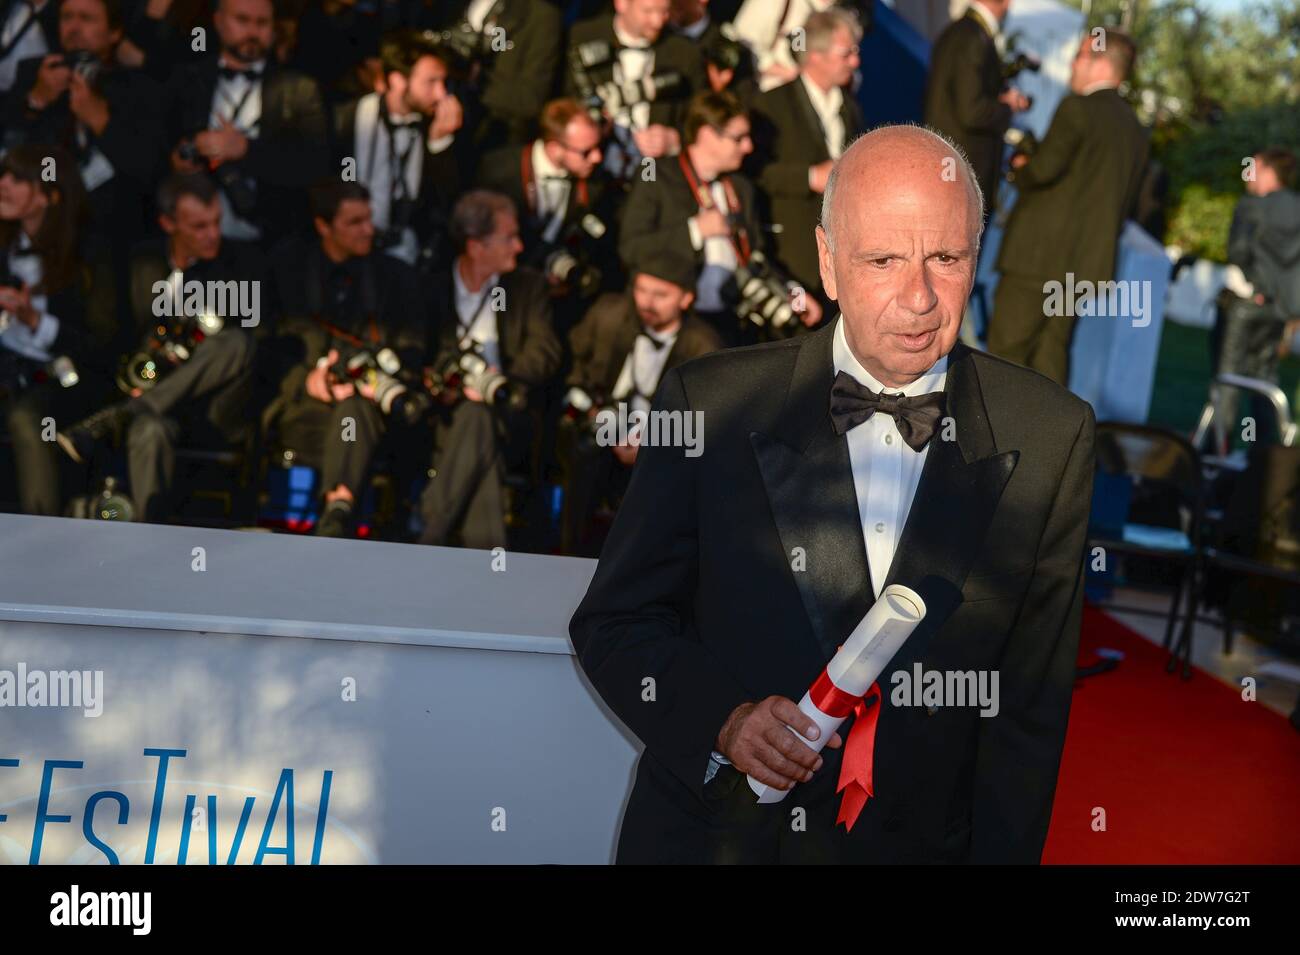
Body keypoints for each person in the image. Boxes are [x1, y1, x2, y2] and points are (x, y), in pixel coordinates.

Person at [569, 125, 1096, 864]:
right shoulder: (712, 404)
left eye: (945, 257)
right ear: (828, 262)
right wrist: (723, 720)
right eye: (883, 258)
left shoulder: (1051, 435)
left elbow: (1027, 715)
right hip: (717, 841)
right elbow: (617, 621)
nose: (918, 296)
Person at [57, 173, 261, 523]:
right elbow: (107, 337)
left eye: (216, 222)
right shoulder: (133, 264)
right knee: (149, 429)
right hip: (148, 400)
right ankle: (149, 545)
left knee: (236, 342)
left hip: (207, 403)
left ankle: (122, 417)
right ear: (168, 223)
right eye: (199, 226)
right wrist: (133, 372)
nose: (213, 234)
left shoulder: (240, 264)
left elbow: (257, 342)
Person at [261, 180, 427, 537]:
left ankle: (338, 508)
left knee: (355, 408)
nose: (368, 230)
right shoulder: (288, 268)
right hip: (304, 409)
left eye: (369, 219)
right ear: (323, 226)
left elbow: (414, 346)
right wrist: (309, 379)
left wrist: (377, 377)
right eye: (354, 222)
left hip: (372, 411)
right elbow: (267, 345)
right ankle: (337, 513)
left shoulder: (395, 277)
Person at [987, 28, 1148, 386]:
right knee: (1051, 354)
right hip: (1082, 267)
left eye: (1079, 56)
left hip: (1037, 259)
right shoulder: (1136, 130)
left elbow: (1043, 170)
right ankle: (1051, 441)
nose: (1073, 65)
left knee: (1005, 353)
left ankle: (992, 441)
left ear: (1099, 63)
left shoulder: (1077, 108)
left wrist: (1020, 167)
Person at [417, 189, 560, 549]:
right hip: (440, 417)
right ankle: (486, 561)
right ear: (476, 246)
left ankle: (430, 534)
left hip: (507, 412)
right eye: (508, 238)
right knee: (480, 442)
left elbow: (545, 351)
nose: (519, 247)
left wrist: (501, 381)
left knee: (479, 416)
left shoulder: (528, 287)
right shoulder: (429, 288)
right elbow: (413, 351)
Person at [621, 89, 818, 345]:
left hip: (732, 320)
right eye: (738, 138)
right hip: (672, 322)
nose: (748, 147)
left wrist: (793, 292)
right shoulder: (658, 177)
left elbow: (756, 256)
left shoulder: (741, 187)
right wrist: (694, 231)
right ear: (706, 135)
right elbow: (630, 248)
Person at [559, 250, 721, 554]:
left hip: (665, 439)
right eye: (642, 290)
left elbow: (708, 420)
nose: (647, 302)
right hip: (603, 423)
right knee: (584, 454)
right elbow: (571, 369)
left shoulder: (703, 344)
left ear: (687, 299)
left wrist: (654, 442)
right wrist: (593, 411)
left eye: (661, 295)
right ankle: (573, 556)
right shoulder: (609, 313)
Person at [0, 144, 114, 515]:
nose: (3, 184)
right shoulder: (4, 245)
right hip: (7, 369)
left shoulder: (89, 255)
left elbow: (102, 348)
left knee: (28, 418)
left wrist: (35, 320)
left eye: (17, 178)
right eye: (4, 174)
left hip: (63, 381)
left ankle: (41, 538)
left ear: (49, 195)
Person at [165, 0, 330, 247]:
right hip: (195, 240)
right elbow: (155, 148)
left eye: (262, 23)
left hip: (274, 242)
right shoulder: (187, 79)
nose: (253, 32)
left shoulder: (301, 89)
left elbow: (316, 166)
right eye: (242, 20)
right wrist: (179, 159)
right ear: (219, 21)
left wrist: (246, 150)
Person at [3, 0, 164, 251]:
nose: (74, 27)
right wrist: (37, 99)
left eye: (86, 19)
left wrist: (100, 121)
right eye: (67, 18)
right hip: (39, 222)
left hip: (114, 228)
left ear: (115, 32)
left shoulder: (141, 87)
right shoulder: (34, 71)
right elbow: (9, 143)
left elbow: (149, 170)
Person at [748, 5, 862, 304]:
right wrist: (810, 177)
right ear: (816, 56)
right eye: (846, 54)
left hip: (840, 254)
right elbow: (756, 172)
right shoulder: (771, 105)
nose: (855, 61)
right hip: (791, 250)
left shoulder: (850, 109)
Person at [334, 28, 462, 273]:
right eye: (431, 82)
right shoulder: (349, 118)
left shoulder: (437, 125)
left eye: (443, 82)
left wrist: (439, 146)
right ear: (397, 80)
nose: (441, 94)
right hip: (347, 249)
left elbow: (445, 205)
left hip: (406, 256)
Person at [1210, 146, 1300, 447]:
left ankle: (1218, 453)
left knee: (1228, 379)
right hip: (1279, 312)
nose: (1247, 174)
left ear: (1269, 171)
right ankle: (1264, 460)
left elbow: (1238, 250)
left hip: (1247, 304)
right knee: (1264, 382)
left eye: (1254, 168)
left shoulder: (1252, 206)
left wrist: (1257, 285)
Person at [565, 0, 705, 180]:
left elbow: (701, 118)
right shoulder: (582, 36)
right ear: (621, 3)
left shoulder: (685, 52)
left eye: (664, 11)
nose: (658, 21)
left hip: (651, 171)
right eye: (648, 11)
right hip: (593, 169)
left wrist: (675, 139)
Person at [923, 0, 1029, 225]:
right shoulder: (972, 37)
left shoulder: (961, 31)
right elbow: (972, 111)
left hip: (948, 170)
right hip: (959, 175)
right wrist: (1008, 106)